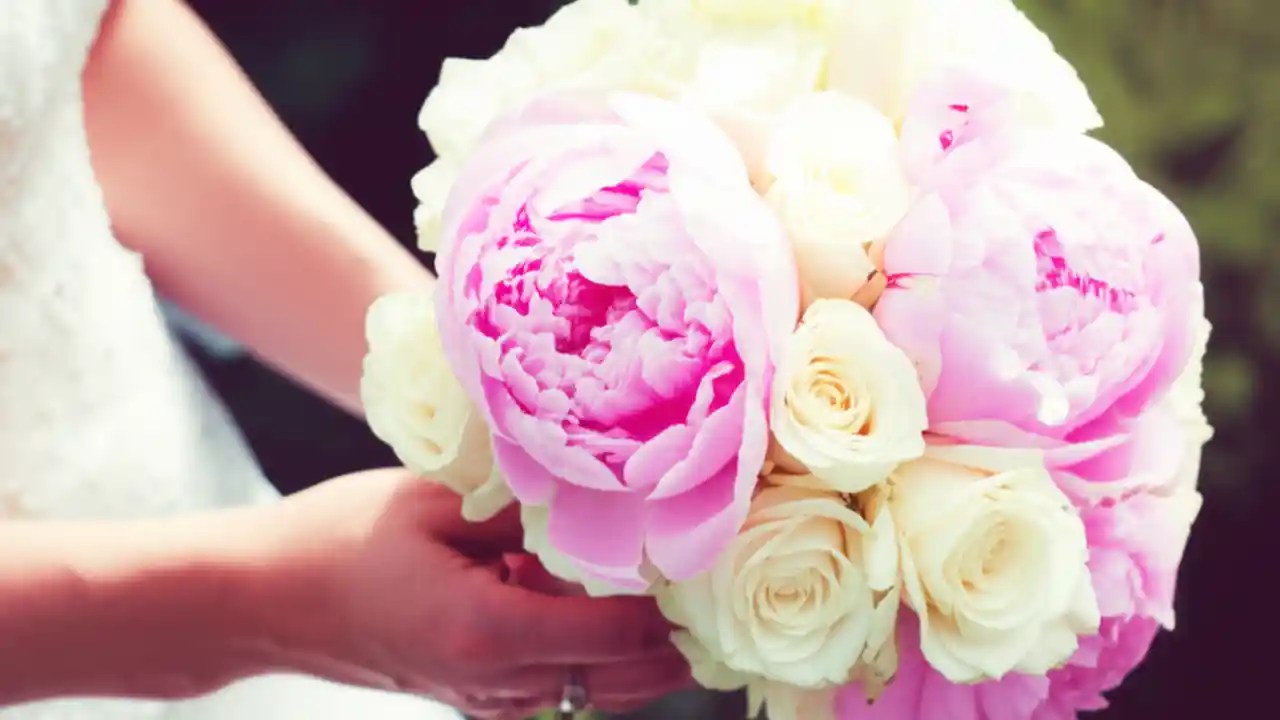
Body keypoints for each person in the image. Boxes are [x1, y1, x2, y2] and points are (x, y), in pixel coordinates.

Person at [0, 1, 689, 719]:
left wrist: (467, 373)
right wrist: (266, 606)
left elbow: (67, 45)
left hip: (189, 484)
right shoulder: (277, 593)